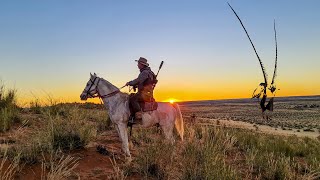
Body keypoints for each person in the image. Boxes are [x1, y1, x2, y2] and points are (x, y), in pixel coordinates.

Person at [125, 57, 157, 121]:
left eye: (138, 64)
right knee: (131, 95)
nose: (137, 65)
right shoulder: (149, 72)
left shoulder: (145, 72)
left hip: (144, 94)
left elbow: (138, 80)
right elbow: (143, 83)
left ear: (142, 64)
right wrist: (136, 86)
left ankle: (139, 114)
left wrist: (129, 83)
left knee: (133, 99)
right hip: (147, 93)